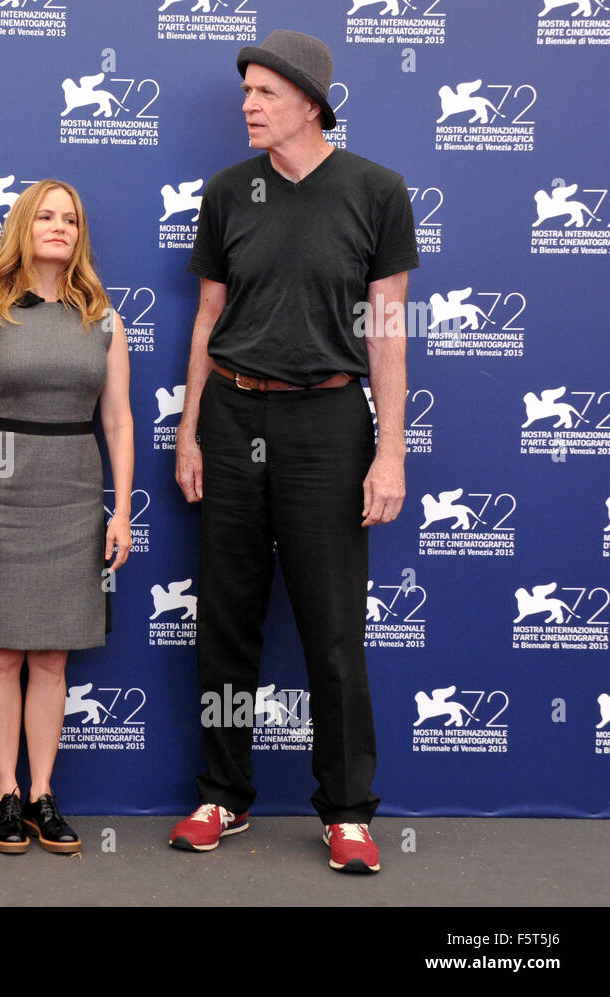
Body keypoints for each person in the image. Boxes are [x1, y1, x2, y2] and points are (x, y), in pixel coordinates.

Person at [170, 31, 417, 874]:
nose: (248, 104)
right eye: (246, 91)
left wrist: (392, 451)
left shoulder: (377, 191)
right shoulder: (227, 192)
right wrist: (190, 429)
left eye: (265, 92)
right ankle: (222, 793)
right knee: (225, 621)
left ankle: (346, 810)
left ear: (311, 103)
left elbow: (388, 329)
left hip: (329, 423)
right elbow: (207, 319)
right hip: (233, 414)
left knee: (334, 628)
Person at [0, 180, 134, 855]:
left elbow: (119, 422)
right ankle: (6, 792)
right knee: (1, 653)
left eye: (70, 219)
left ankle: (42, 794)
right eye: (47, 217)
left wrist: (121, 511)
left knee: (52, 655)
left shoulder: (104, 320)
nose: (60, 227)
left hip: (74, 498)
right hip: (0, 496)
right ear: (23, 228)